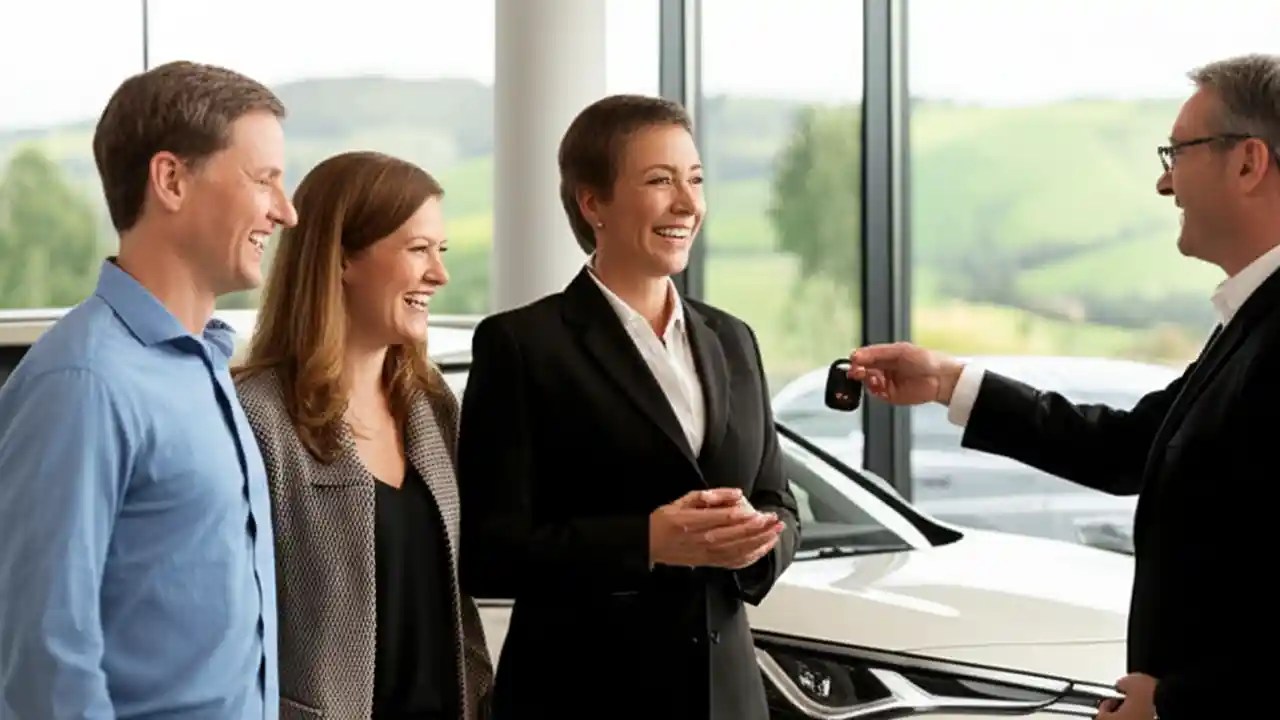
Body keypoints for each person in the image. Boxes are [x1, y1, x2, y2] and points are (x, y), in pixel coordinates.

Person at [845, 53, 1280, 720]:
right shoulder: (1250, 320)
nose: (1165, 182)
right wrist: (947, 382)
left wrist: (1175, 703)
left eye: (1178, 153)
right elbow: (1128, 447)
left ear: (1248, 163)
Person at [457, 94, 800, 720]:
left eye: (696, 179)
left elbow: (780, 504)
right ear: (593, 204)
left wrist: (755, 544)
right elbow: (488, 552)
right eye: (660, 181)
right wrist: (647, 541)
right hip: (584, 696)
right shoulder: (523, 345)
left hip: (727, 699)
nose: (688, 204)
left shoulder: (733, 339)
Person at [0, 61, 295, 718]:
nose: (286, 210)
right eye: (264, 179)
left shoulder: (205, 365)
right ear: (171, 181)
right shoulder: (82, 382)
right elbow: (44, 660)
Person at [233, 150, 494, 720]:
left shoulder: (430, 405)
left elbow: (457, 599)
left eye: (442, 251)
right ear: (343, 258)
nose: (440, 274)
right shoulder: (257, 417)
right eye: (418, 249)